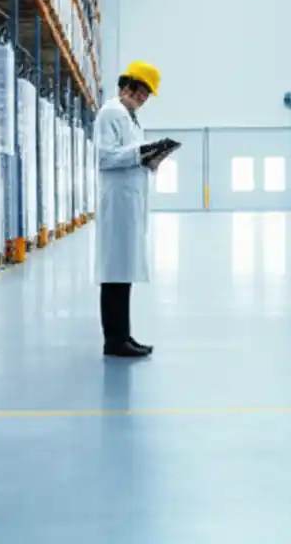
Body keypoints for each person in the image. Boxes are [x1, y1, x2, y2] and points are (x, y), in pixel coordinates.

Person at [94, 60, 176, 358]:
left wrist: (152, 157)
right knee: (115, 272)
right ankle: (114, 340)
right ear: (126, 88)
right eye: (140, 94)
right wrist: (141, 152)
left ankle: (123, 335)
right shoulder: (112, 113)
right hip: (117, 202)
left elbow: (128, 156)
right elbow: (104, 158)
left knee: (123, 271)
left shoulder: (129, 117)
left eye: (146, 97)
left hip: (129, 200)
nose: (143, 101)